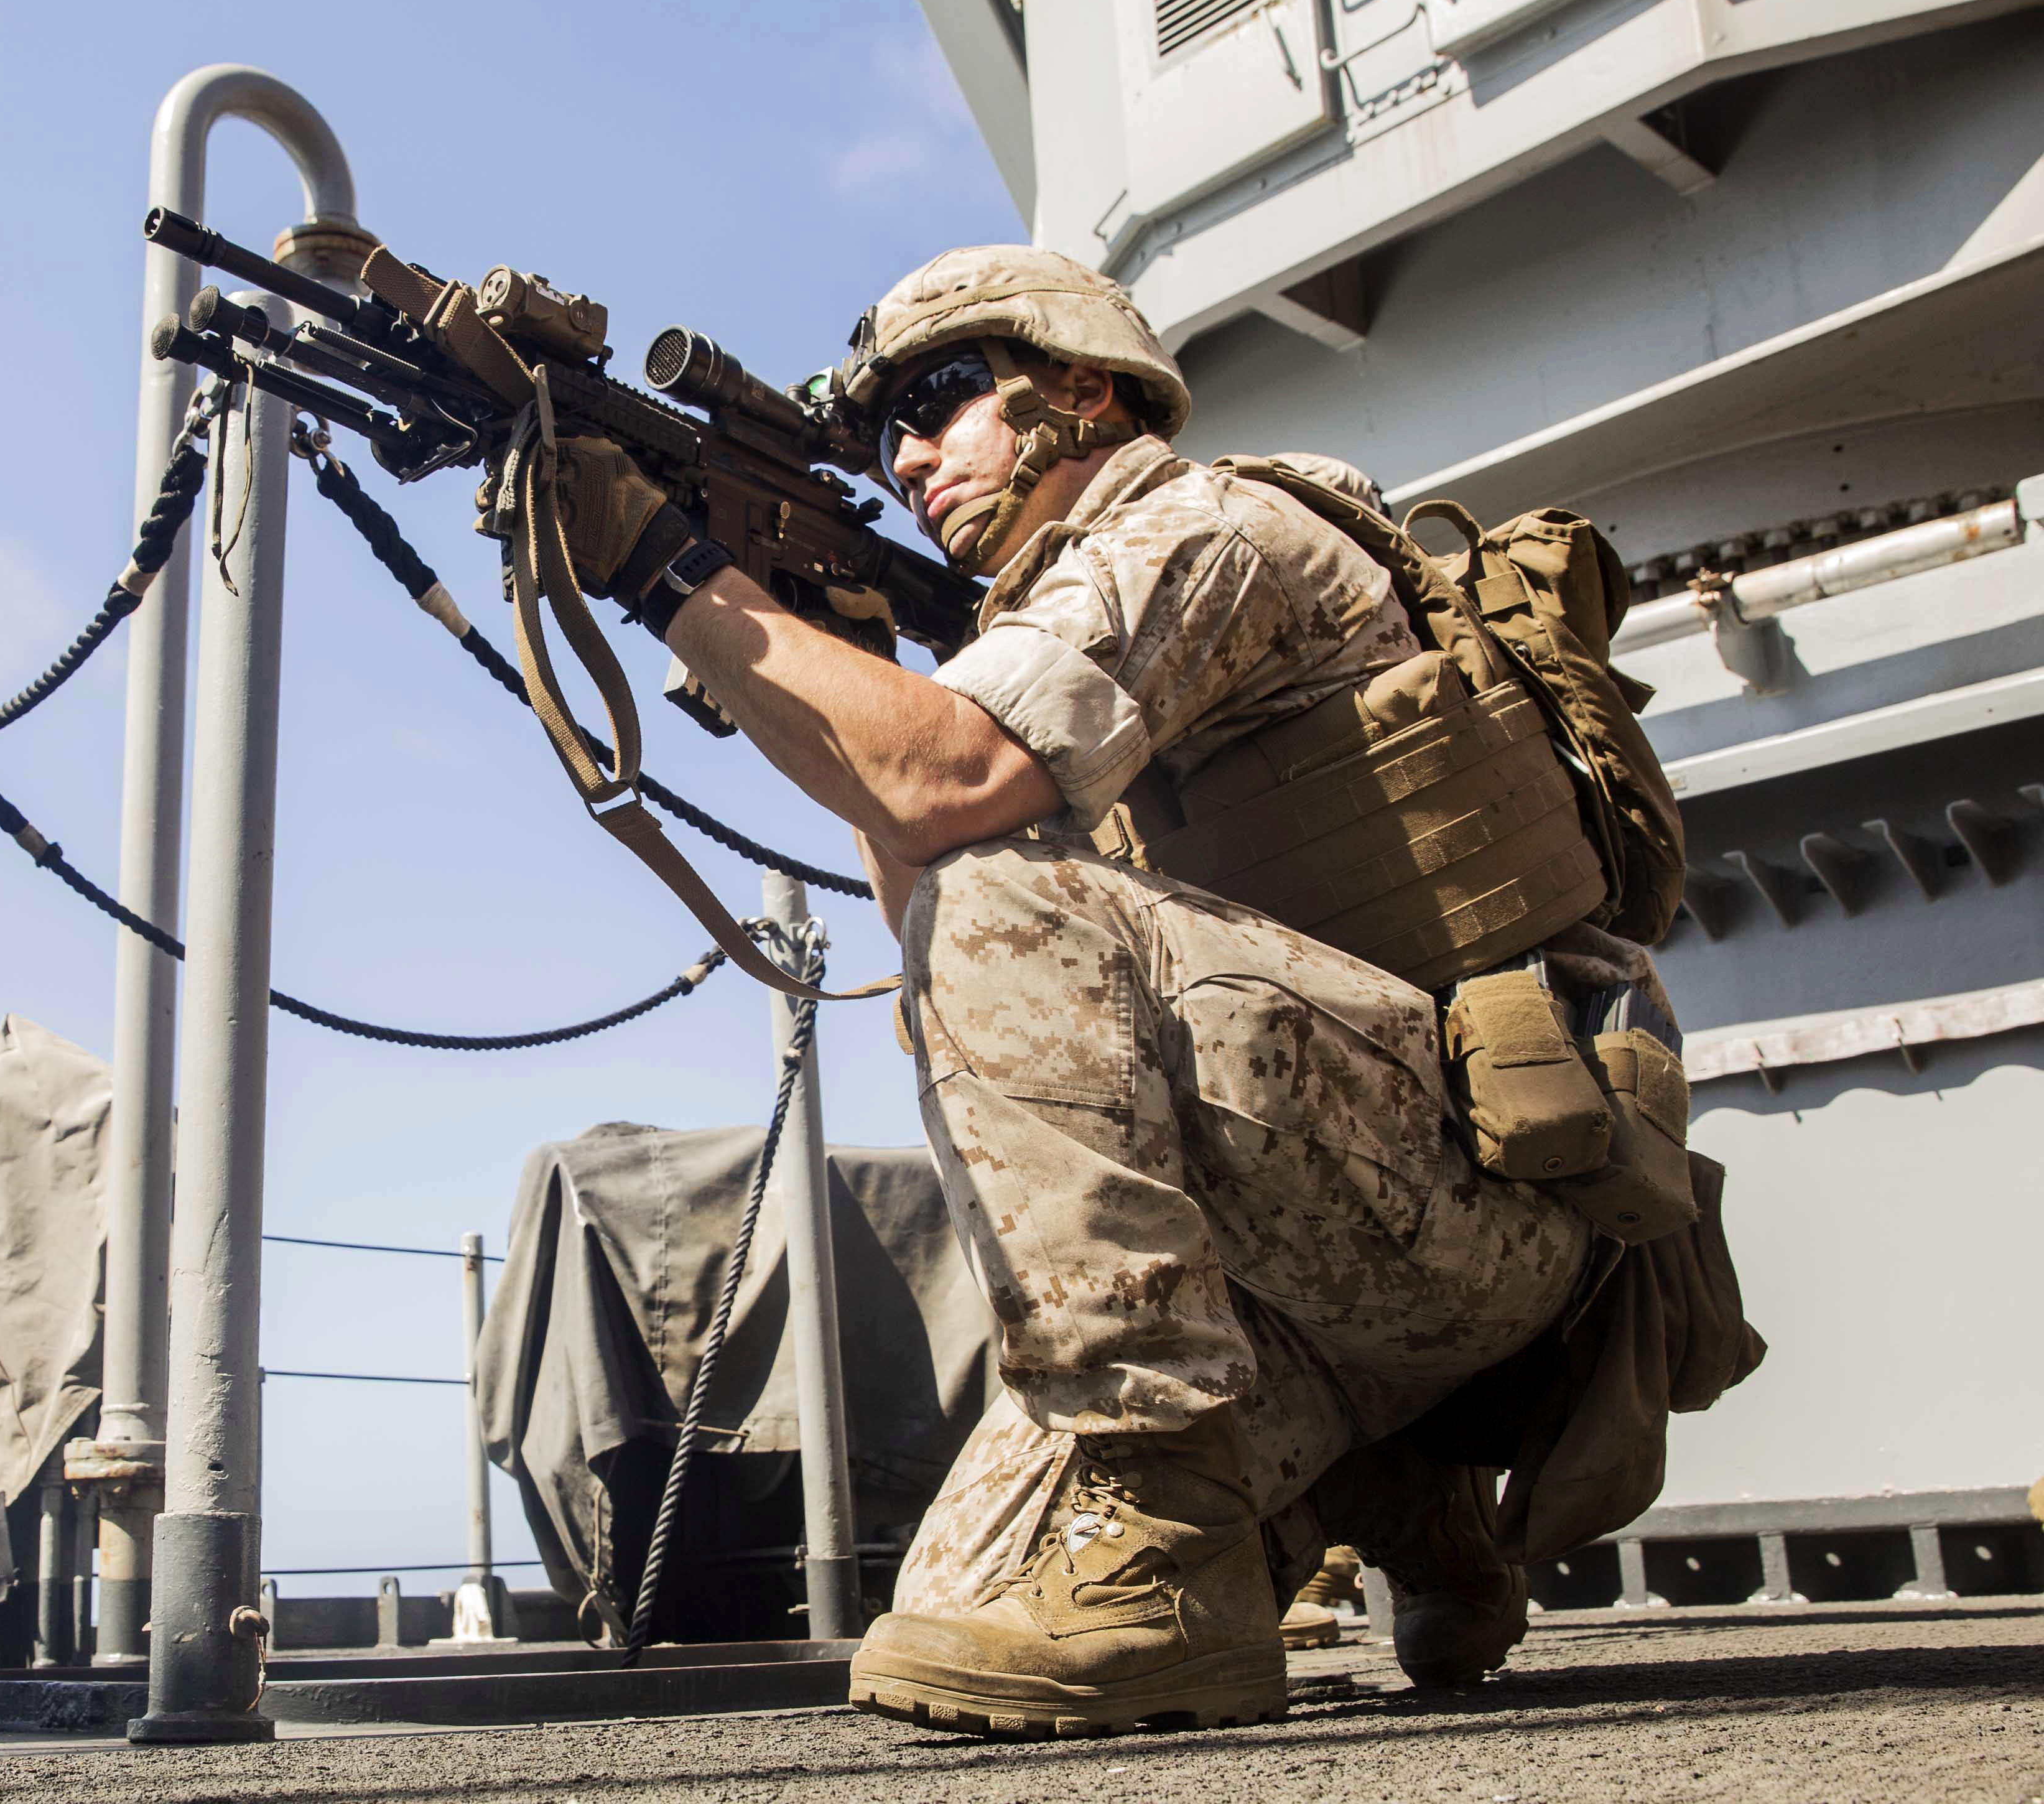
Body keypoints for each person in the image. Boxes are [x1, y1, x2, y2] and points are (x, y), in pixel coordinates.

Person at [519, 244, 1617, 1739]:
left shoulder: (1201, 529)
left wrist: (665, 568)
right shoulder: (1039, 644)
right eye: (889, 426)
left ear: (1082, 388)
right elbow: (947, 971)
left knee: (991, 886)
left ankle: (1170, 1513)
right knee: (949, 1624)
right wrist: (849, 656)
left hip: (1466, 1202)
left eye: (942, 397)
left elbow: (952, 787)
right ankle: (1409, 1488)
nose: (907, 455)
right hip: (1337, 1232)